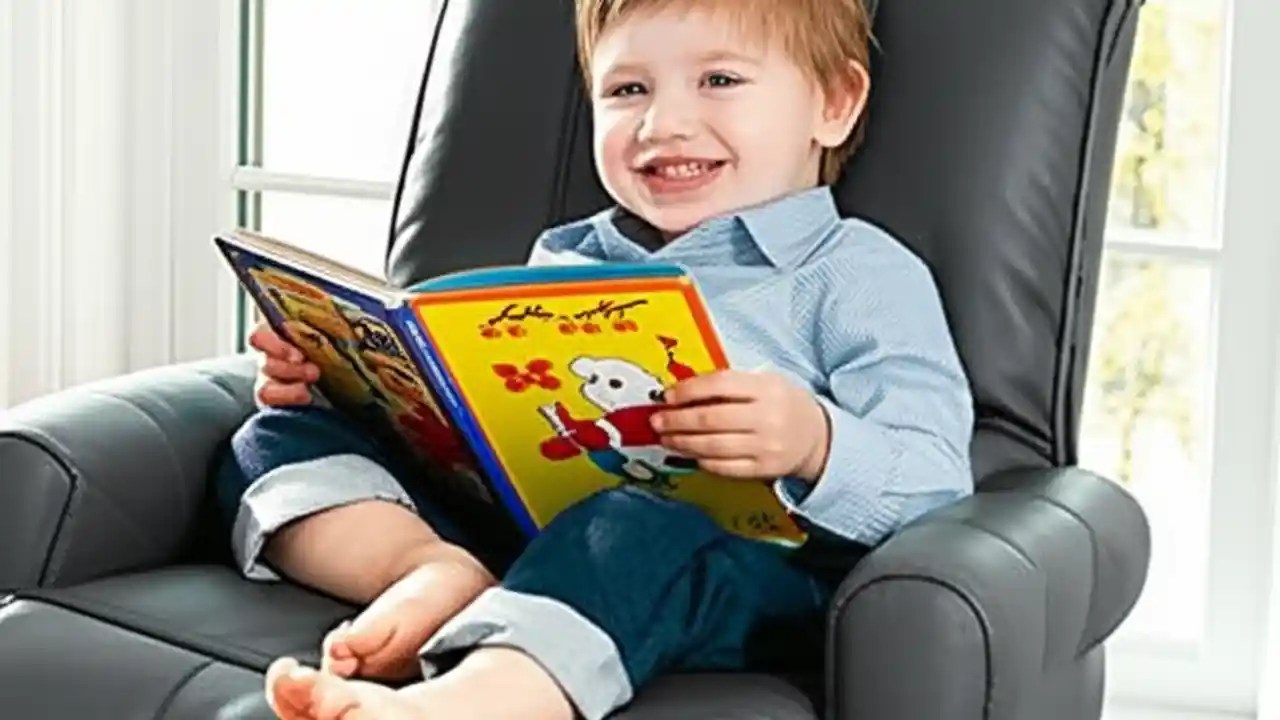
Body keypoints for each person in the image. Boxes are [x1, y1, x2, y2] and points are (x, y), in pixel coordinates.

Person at [218, 0, 976, 717]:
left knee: (631, 529)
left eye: (719, 80)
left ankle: (458, 703)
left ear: (834, 104)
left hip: (725, 565)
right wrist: (344, 380)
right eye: (627, 88)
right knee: (270, 438)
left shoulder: (859, 274)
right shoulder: (565, 259)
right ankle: (428, 570)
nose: (664, 121)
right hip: (525, 524)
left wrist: (814, 441)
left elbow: (937, 475)